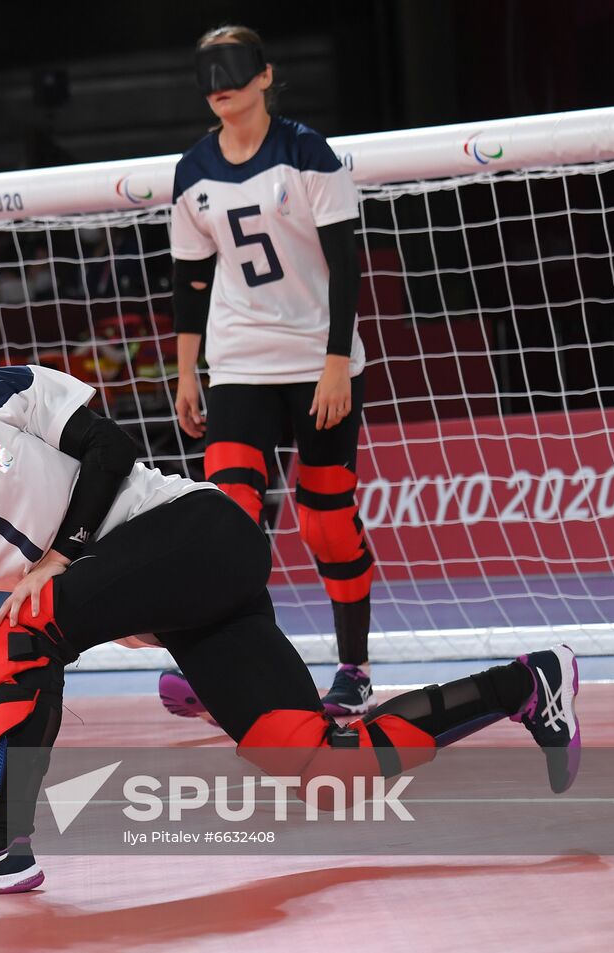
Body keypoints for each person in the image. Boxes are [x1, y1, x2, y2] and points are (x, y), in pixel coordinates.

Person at [0, 367, 581, 898]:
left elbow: (111, 447)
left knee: (16, 637)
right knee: (324, 769)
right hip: (181, 598)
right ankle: (527, 684)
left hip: (199, 529)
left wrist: (63, 556)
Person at [162, 25, 377, 717]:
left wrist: (336, 363)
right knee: (228, 517)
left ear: (264, 75)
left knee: (324, 521)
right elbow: (191, 280)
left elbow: (346, 267)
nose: (220, 82)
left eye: (233, 67)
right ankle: (229, 669)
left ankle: (354, 666)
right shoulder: (192, 170)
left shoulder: (306, 153)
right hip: (241, 360)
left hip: (319, 358)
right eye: (208, 71)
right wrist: (188, 372)